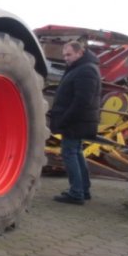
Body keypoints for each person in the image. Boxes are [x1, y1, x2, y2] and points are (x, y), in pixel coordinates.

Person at [49, 40, 102, 205]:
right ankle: (83, 190)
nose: (66, 58)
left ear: (80, 53)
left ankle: (76, 193)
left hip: (75, 121)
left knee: (70, 153)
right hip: (77, 120)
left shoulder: (86, 70)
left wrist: (65, 119)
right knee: (76, 152)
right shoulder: (81, 68)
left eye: (69, 54)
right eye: (64, 55)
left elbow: (82, 101)